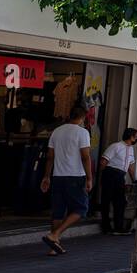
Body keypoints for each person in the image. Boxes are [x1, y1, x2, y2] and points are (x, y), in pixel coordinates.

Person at [41, 105, 93, 255]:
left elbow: (50, 156)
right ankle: (54, 235)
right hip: (75, 175)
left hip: (58, 175)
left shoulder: (57, 131)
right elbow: (85, 156)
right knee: (81, 208)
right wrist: (89, 178)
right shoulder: (82, 132)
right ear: (83, 117)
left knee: (58, 211)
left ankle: (54, 246)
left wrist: (46, 176)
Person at [99, 127, 137, 235]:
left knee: (120, 202)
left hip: (121, 176)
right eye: (135, 136)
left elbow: (130, 166)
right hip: (111, 173)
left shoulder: (131, 149)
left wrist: (134, 179)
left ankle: (118, 227)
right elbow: (103, 161)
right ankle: (106, 226)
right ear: (130, 136)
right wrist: (104, 176)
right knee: (106, 200)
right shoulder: (115, 146)